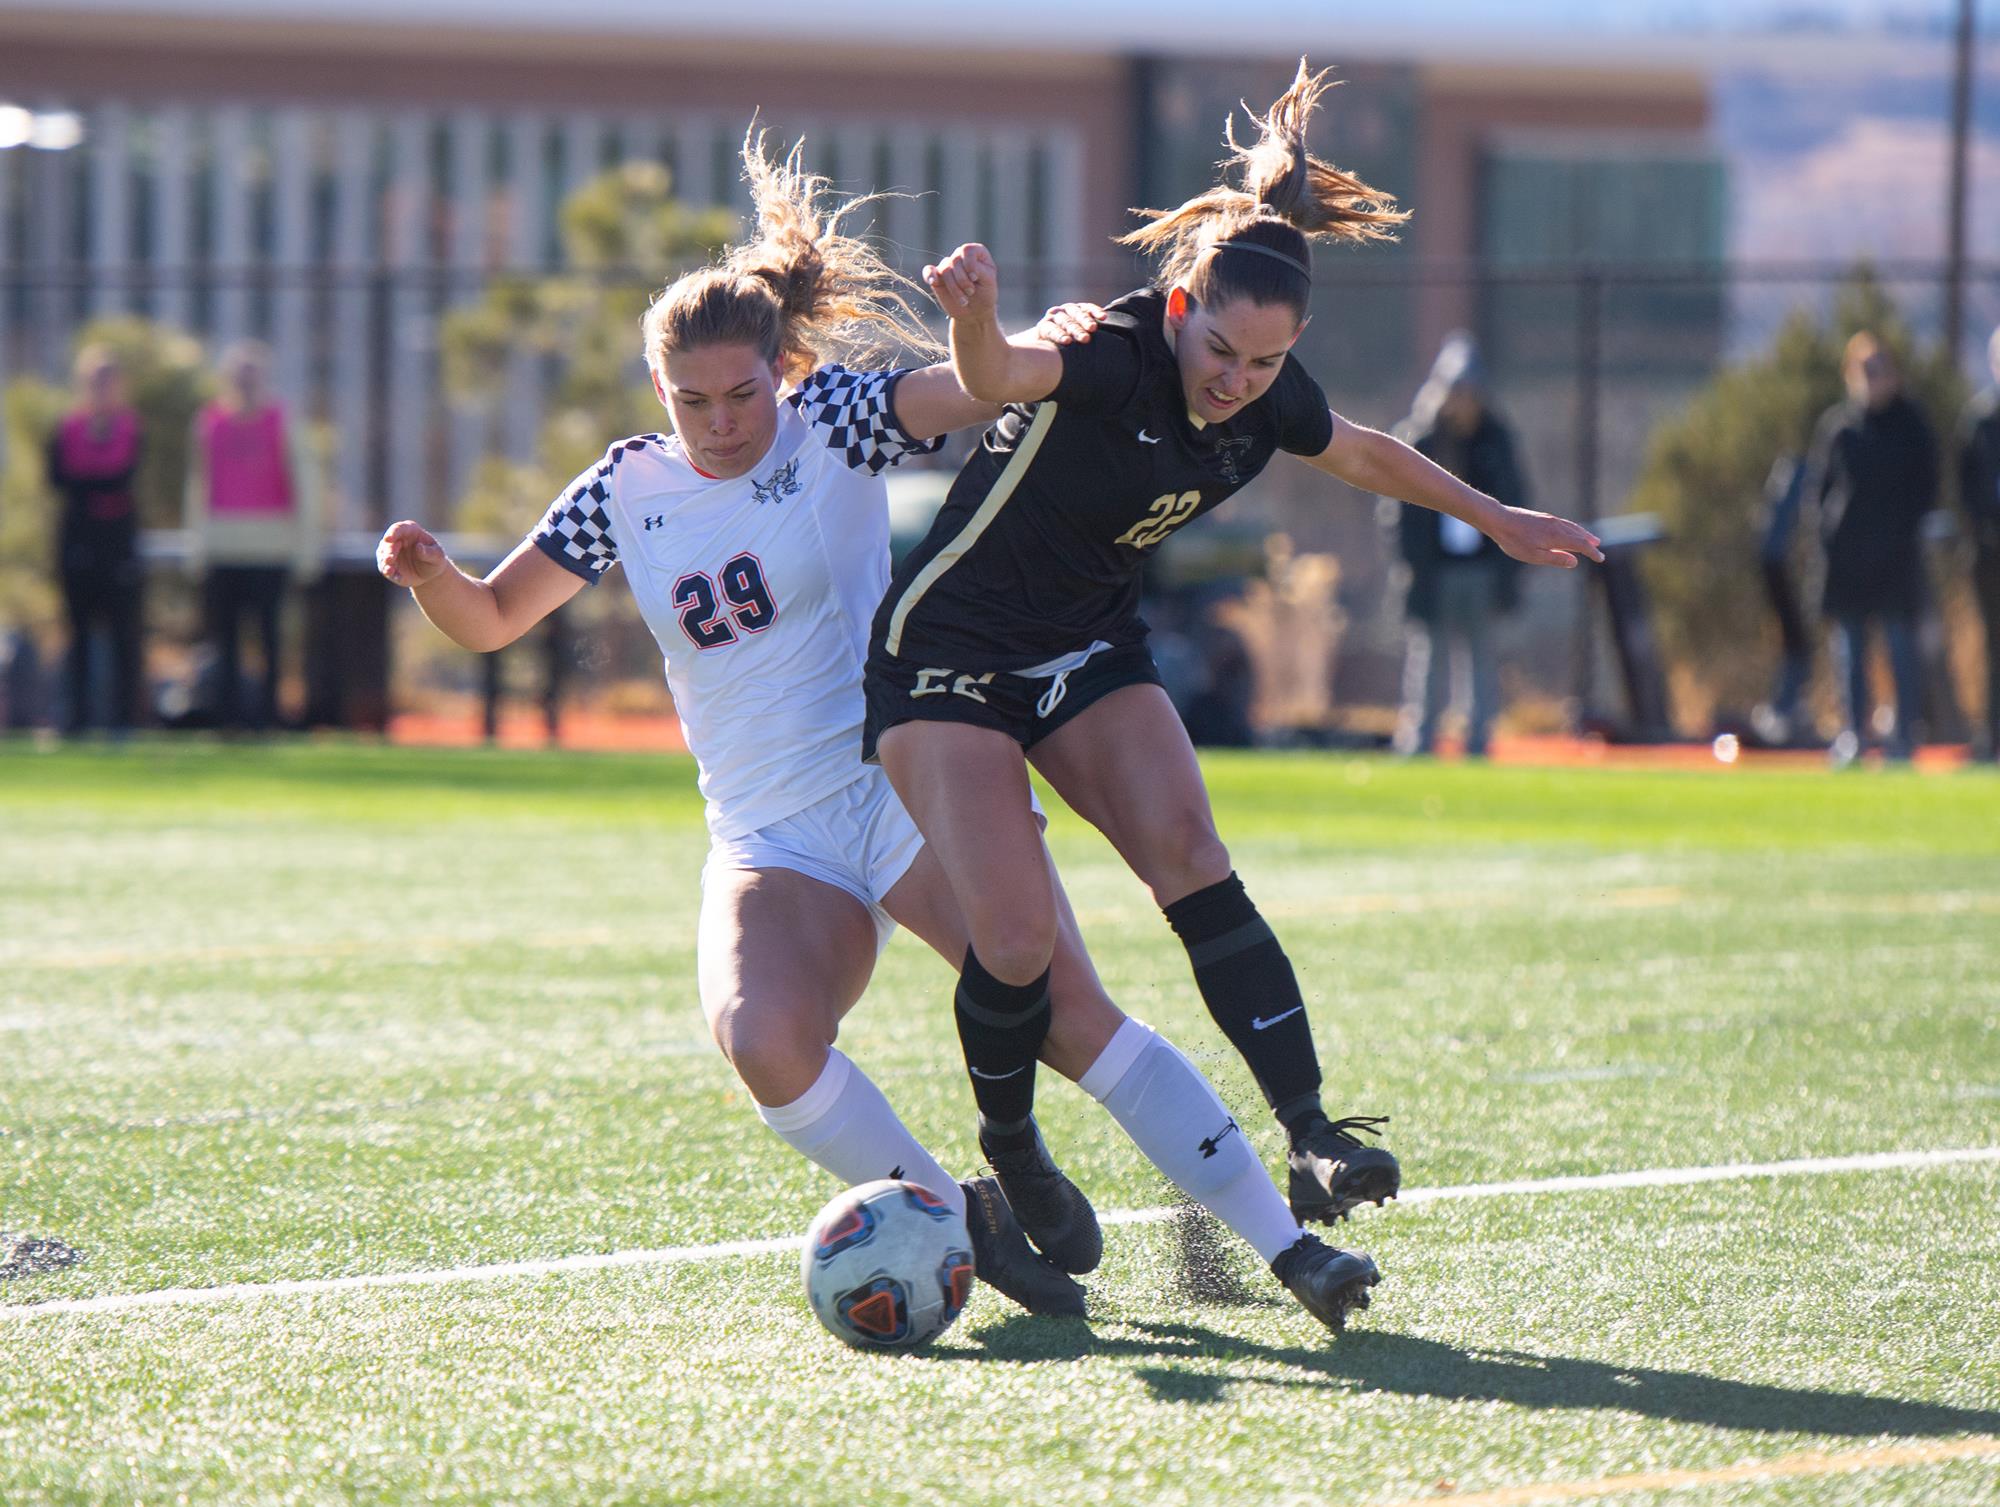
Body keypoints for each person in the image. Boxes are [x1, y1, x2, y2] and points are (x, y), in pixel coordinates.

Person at [378, 129, 1382, 1334]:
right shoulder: (620, 488)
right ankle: (960, 1219)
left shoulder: (837, 418)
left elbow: (972, 389)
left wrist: (1027, 339)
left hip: (903, 778)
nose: (723, 420)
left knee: (1073, 1019)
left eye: (744, 392)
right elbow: (490, 618)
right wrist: (431, 573)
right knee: (760, 1037)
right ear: (658, 392)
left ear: (779, 366)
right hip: (767, 827)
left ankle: (1284, 1246)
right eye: (692, 400)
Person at [863, 62, 1601, 1233]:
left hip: (1083, 644)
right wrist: (971, 319)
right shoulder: (1111, 351)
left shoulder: (1263, 394)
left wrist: (1497, 518)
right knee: (1013, 943)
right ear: (1177, 309)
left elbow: (1360, 450)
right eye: (1219, 351)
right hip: (944, 650)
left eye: (1263, 364)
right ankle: (1014, 1147)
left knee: (1192, 851)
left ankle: (1310, 1133)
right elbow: (998, 376)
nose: (1235, 382)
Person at [1388, 332, 1526, 758]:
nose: (1463, 403)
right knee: (1428, 659)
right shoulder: (1422, 441)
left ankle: (1479, 740)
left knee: (1482, 659)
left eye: (1470, 394)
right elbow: (1400, 513)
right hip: (1435, 569)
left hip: (1481, 568)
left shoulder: (1496, 442)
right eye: (1456, 393)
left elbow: (1516, 498)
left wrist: (1508, 567)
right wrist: (1412, 565)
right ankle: (1420, 740)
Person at [1807, 333, 1936, 766]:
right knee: (1850, 654)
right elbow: (1821, 491)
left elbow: (1926, 489)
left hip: (1895, 559)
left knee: (1900, 650)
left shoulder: (1912, 426)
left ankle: (1903, 739)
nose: (1872, 381)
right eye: (1864, 372)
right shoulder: (1840, 427)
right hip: (1849, 561)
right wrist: (1830, 534)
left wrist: (1900, 533)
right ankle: (1854, 736)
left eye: (1879, 371)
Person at [187, 341, 318, 731]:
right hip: (223, 549)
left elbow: (305, 484)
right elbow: (198, 485)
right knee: (223, 643)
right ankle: (227, 722)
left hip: (270, 549)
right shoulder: (209, 422)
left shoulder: (282, 420)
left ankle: (269, 720)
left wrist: (305, 549)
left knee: (270, 642)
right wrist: (198, 546)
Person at [46, 345, 145, 736]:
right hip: (77, 540)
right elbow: (58, 479)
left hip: (118, 542)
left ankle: (123, 720)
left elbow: (124, 476)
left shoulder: (131, 427)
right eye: (95, 379)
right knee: (78, 631)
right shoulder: (67, 428)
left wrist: (89, 481)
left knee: (123, 632)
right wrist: (99, 484)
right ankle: (76, 719)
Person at [1956, 325, 2000, 764]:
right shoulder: (1980, 424)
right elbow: (1966, 492)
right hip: (1990, 556)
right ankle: (1991, 736)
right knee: (1993, 647)